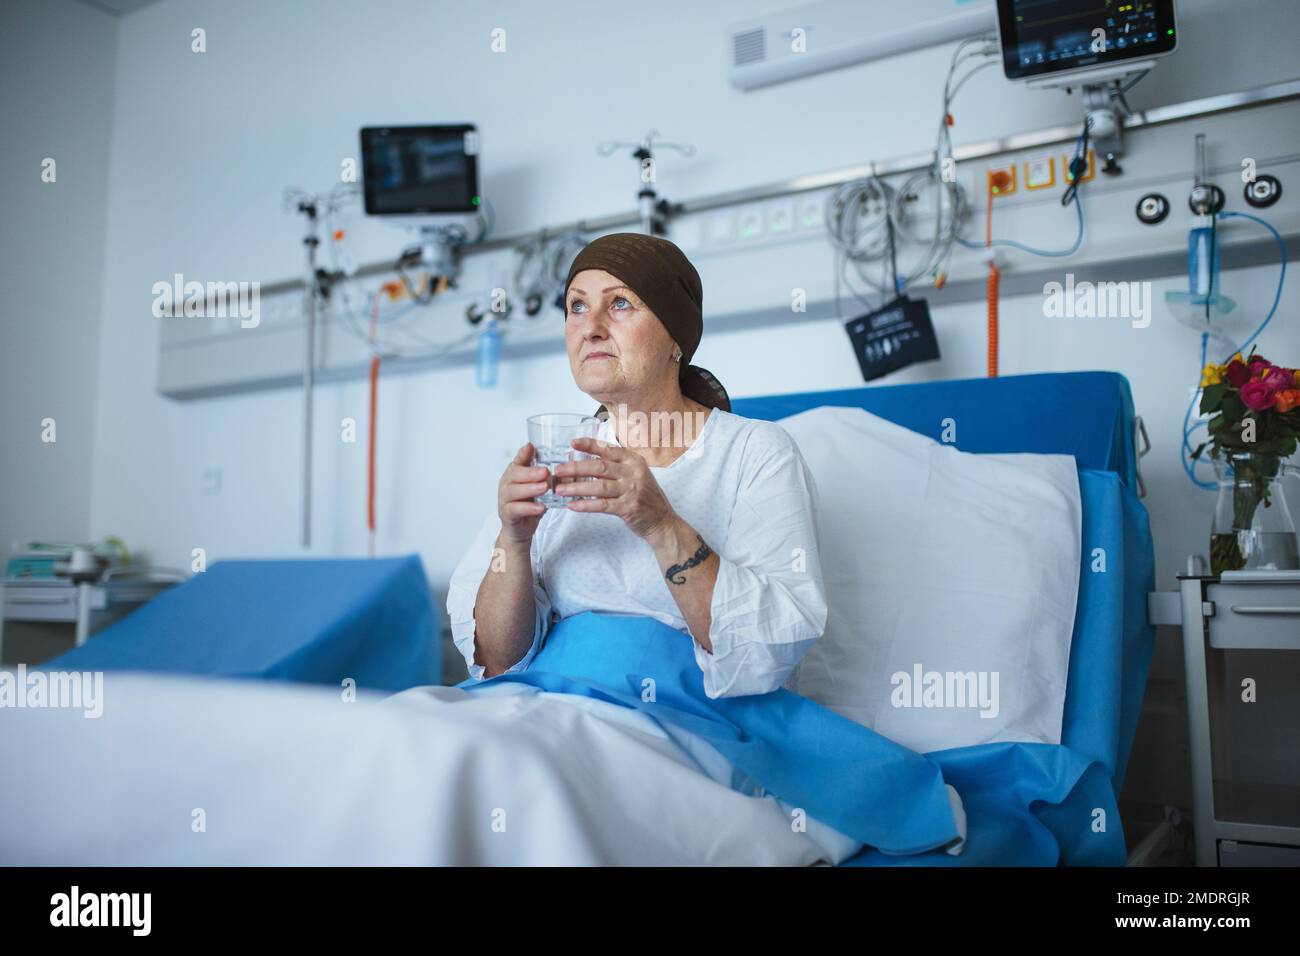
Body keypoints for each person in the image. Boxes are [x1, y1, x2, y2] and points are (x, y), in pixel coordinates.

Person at [446, 232, 827, 699]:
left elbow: (765, 653)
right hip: (549, 703)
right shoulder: (559, 460)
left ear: (676, 338)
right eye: (577, 306)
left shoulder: (755, 453)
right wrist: (514, 538)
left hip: (685, 718)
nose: (591, 327)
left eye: (621, 304)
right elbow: (497, 663)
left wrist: (661, 524)